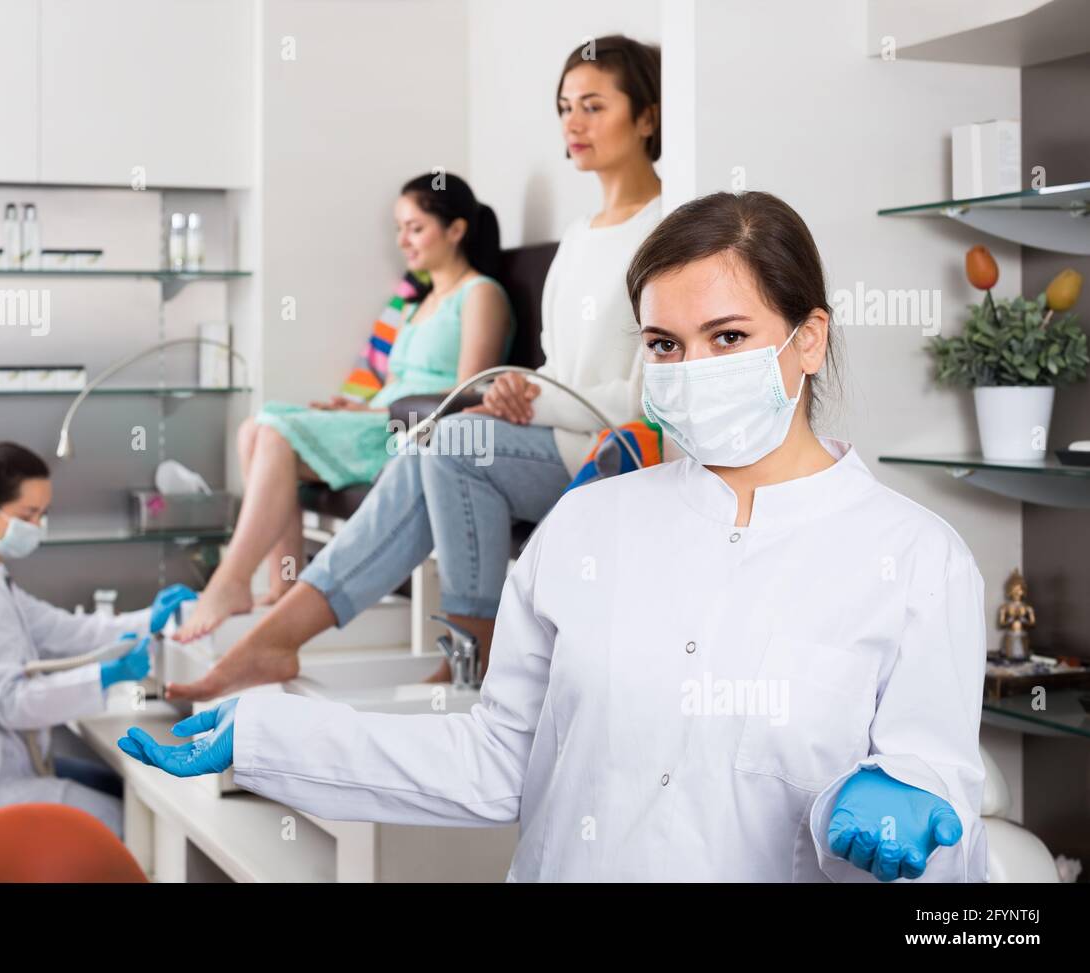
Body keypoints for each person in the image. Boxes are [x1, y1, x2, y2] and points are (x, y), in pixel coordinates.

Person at [120, 191, 989, 883]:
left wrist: (915, 811)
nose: (692, 372)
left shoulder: (914, 559)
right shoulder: (592, 522)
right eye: (665, 345)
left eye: (728, 337)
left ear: (808, 341)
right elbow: (499, 758)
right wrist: (268, 736)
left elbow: (947, 836)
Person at [169, 34, 665, 695]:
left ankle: (450, 655)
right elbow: (555, 365)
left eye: (594, 106)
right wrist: (515, 391)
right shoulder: (578, 239)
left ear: (647, 117)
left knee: (446, 444)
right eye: (564, 107)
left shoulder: (670, 229)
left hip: (615, 448)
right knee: (439, 444)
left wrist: (529, 399)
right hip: (549, 432)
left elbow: (644, 393)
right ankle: (298, 637)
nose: (572, 124)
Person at [174, 172, 513, 637]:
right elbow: (394, 382)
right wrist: (356, 407)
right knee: (255, 426)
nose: (403, 241)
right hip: (382, 415)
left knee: (273, 432)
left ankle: (232, 580)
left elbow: (465, 395)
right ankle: (282, 585)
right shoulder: (417, 304)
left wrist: (376, 414)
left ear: (456, 230)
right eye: (399, 229)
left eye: (415, 228)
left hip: (415, 432)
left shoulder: (481, 295)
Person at [0, 442, 195, 877]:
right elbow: (13, 703)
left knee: (123, 796)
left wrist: (149, 619)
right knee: (135, 827)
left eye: (42, 514)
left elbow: (57, 630)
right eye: (27, 516)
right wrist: (105, 678)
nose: (38, 526)